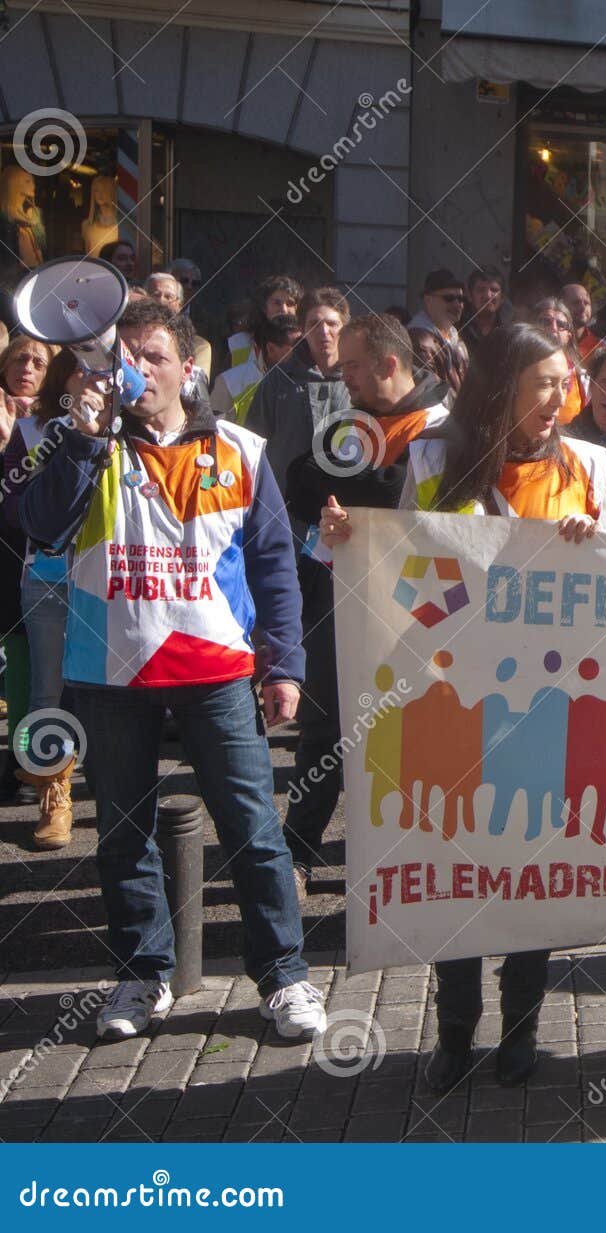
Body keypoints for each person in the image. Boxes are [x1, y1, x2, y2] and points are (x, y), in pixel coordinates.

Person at [319, 324, 606, 1091]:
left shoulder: (590, 468)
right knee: (458, 865)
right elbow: (404, 564)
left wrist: (597, 539)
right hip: (453, 697)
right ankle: (455, 1031)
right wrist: (351, 541)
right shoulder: (434, 460)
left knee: (530, 873)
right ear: (502, 386)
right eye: (542, 381)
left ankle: (522, 1031)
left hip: (549, 705)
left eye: (564, 381)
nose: (558, 398)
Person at [21, 299, 323, 1042]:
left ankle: (284, 975)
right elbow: (38, 523)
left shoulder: (242, 451)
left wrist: (284, 662)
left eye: (153, 355)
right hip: (108, 671)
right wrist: (85, 440)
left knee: (252, 828)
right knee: (125, 833)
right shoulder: (79, 442)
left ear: (189, 370)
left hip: (216, 671)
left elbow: (275, 565)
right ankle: (141, 973)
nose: (135, 368)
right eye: (122, 355)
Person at [279, 313, 450, 893]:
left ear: (387, 363)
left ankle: (407, 858)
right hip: (341, 591)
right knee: (323, 727)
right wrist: (364, 489)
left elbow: (404, 497)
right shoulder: (354, 420)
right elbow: (300, 482)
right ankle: (297, 852)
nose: (340, 374)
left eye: (351, 365)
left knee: (415, 731)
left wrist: (356, 488)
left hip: (418, 605)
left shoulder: (444, 424)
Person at [3, 349, 80, 846]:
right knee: (46, 688)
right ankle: (55, 799)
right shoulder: (31, 432)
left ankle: (126, 803)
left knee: (125, 696)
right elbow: (13, 509)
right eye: (79, 371)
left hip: (121, 575)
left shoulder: (128, 427)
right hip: (49, 572)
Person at [0, 337, 61, 812]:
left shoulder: (50, 423)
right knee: (25, 665)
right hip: (12, 557)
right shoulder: (12, 424)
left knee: (44, 669)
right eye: (19, 358)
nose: (27, 367)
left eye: (38, 361)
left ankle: (39, 767)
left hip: (43, 561)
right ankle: (27, 764)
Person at [245, 287, 351, 551]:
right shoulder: (278, 381)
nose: (323, 332)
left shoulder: (359, 379)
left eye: (332, 323)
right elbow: (252, 447)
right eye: (314, 323)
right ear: (303, 329)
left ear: (344, 328)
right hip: (285, 515)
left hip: (346, 516)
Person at [409, 269, 469, 397]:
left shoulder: (454, 336)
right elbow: (429, 396)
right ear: (428, 300)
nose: (457, 304)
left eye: (461, 299)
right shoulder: (419, 342)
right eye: (449, 298)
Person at [527, 296, 587, 424]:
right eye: (545, 322)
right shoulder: (518, 371)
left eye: (561, 325)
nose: (553, 328)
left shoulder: (582, 379)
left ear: (569, 335)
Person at [227, 275, 301, 374]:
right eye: (277, 303)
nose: (284, 309)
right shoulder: (241, 342)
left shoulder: (306, 340)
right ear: (263, 307)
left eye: (290, 304)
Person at [145, 273, 213, 379]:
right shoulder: (130, 338)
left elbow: (193, 388)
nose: (161, 301)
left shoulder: (199, 346)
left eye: (169, 297)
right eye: (156, 295)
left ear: (179, 305)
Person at [462, 269, 505, 359]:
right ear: (469, 296)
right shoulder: (457, 329)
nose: (488, 296)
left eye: (494, 290)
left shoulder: (508, 331)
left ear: (502, 298)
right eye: (481, 290)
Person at [562, 282, 604, 361]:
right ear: (562, 305)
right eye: (576, 303)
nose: (583, 308)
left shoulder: (600, 347)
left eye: (587, 303)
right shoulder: (549, 339)